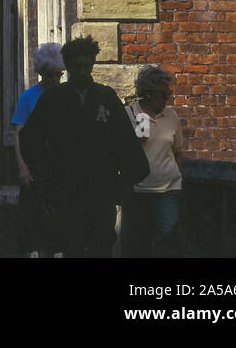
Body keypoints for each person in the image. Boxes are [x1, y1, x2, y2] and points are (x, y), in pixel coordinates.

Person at [19, 35, 149, 258]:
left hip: (101, 190)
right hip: (65, 191)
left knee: (102, 245)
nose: (81, 72)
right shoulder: (53, 99)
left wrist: (123, 182)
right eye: (76, 67)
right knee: (73, 245)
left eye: (86, 66)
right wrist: (44, 177)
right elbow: (30, 140)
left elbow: (126, 142)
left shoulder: (105, 97)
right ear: (67, 67)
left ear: (92, 65)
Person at [123, 65, 184, 258]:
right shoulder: (129, 114)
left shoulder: (172, 116)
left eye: (169, 93)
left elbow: (178, 151)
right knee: (138, 243)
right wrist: (134, 140)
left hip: (168, 190)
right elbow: (117, 151)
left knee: (168, 241)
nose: (167, 98)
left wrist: (177, 178)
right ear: (148, 94)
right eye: (163, 94)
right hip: (138, 190)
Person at [12, 43, 64, 257]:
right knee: (34, 218)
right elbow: (18, 135)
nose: (54, 80)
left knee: (58, 220)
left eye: (58, 75)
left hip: (59, 165)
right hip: (36, 164)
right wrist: (23, 167)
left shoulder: (64, 95)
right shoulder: (28, 97)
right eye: (50, 75)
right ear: (41, 73)